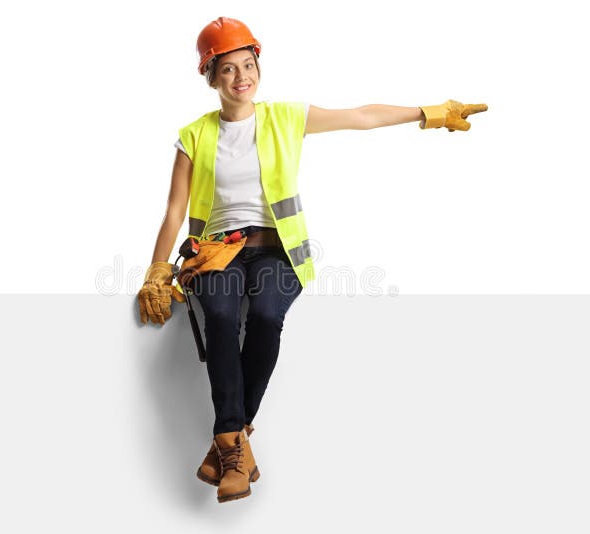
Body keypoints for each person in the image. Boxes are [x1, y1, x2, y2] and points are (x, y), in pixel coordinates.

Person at [137, 16, 487, 504]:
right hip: (216, 253)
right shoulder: (193, 135)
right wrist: (157, 271)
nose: (242, 77)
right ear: (211, 78)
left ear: (258, 66)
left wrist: (429, 112)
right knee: (219, 315)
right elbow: (175, 209)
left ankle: (227, 446)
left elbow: (361, 115)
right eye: (229, 69)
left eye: (249, 64)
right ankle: (234, 449)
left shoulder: (284, 117)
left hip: (276, 251)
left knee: (264, 317)